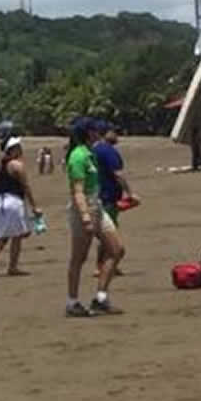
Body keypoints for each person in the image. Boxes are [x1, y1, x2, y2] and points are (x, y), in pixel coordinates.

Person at [65, 118, 124, 317]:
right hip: (84, 208)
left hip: (97, 206)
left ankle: (100, 297)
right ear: (88, 132)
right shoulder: (77, 156)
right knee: (79, 258)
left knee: (116, 250)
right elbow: (78, 191)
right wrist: (85, 217)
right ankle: (72, 302)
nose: (99, 132)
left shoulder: (91, 153)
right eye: (95, 129)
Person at [0, 138, 37, 276]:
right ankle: (12, 267)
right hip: (13, 201)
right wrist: (34, 206)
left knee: (3, 234)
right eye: (18, 147)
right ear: (13, 149)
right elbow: (26, 186)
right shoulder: (17, 165)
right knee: (17, 235)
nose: (21, 150)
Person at [91, 121, 133, 276]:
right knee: (108, 232)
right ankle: (102, 265)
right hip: (107, 197)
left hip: (98, 195)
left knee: (105, 232)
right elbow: (118, 174)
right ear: (105, 133)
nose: (117, 135)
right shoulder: (107, 151)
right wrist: (129, 192)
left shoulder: (93, 149)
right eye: (114, 131)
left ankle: (105, 264)